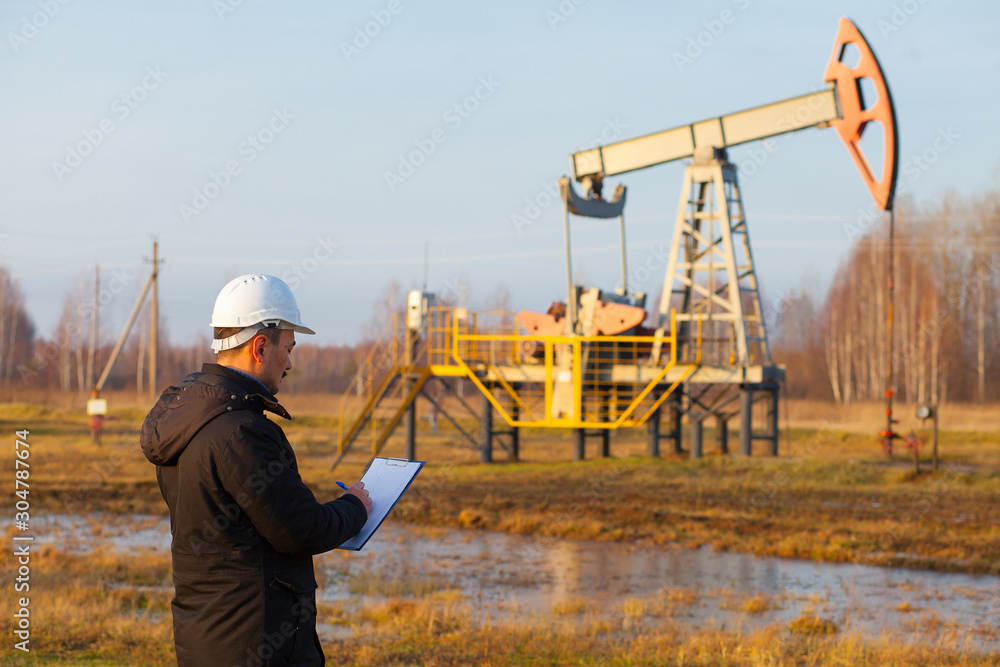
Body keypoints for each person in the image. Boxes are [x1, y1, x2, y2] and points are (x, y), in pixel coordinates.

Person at [141, 274, 371, 666]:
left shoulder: (189, 420)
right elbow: (302, 530)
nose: (290, 363)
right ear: (260, 347)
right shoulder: (242, 432)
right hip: (257, 642)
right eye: (288, 348)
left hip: (204, 636)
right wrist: (355, 506)